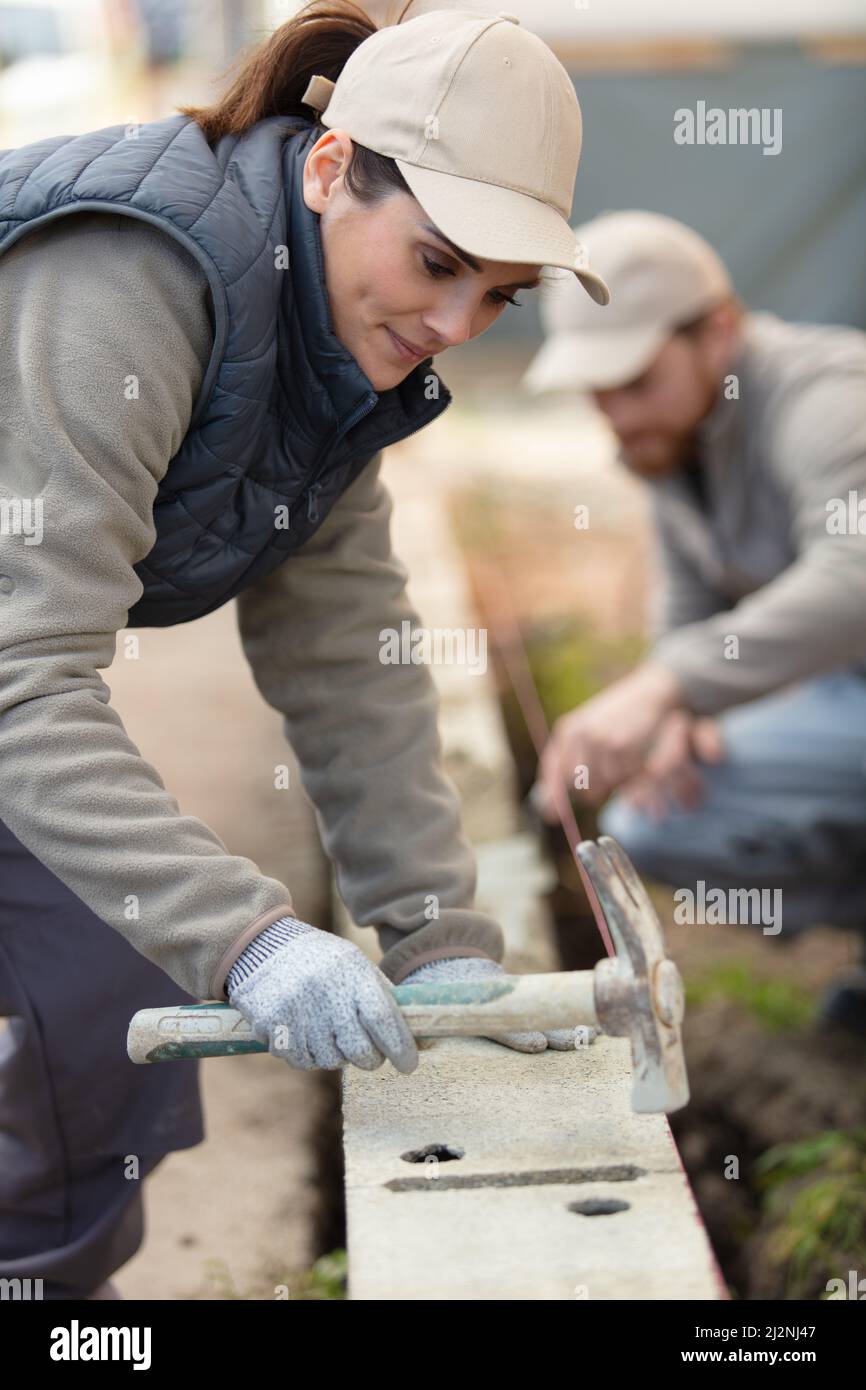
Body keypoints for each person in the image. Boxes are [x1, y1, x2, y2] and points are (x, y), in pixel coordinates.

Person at [0, 3, 609, 1299]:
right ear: (331, 170)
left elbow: (349, 659)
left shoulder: (330, 356)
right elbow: (24, 680)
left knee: (103, 985)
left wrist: (437, 939)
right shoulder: (130, 279)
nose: (455, 323)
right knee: (108, 966)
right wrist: (250, 939)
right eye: (439, 261)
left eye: (496, 297)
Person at [526, 210, 866, 1034]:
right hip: (842, 702)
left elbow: (854, 572)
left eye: (636, 382)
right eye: (598, 392)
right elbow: (690, 608)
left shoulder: (828, 398)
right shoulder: (674, 441)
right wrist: (680, 707)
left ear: (718, 332)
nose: (616, 415)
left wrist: (670, 685)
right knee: (656, 813)